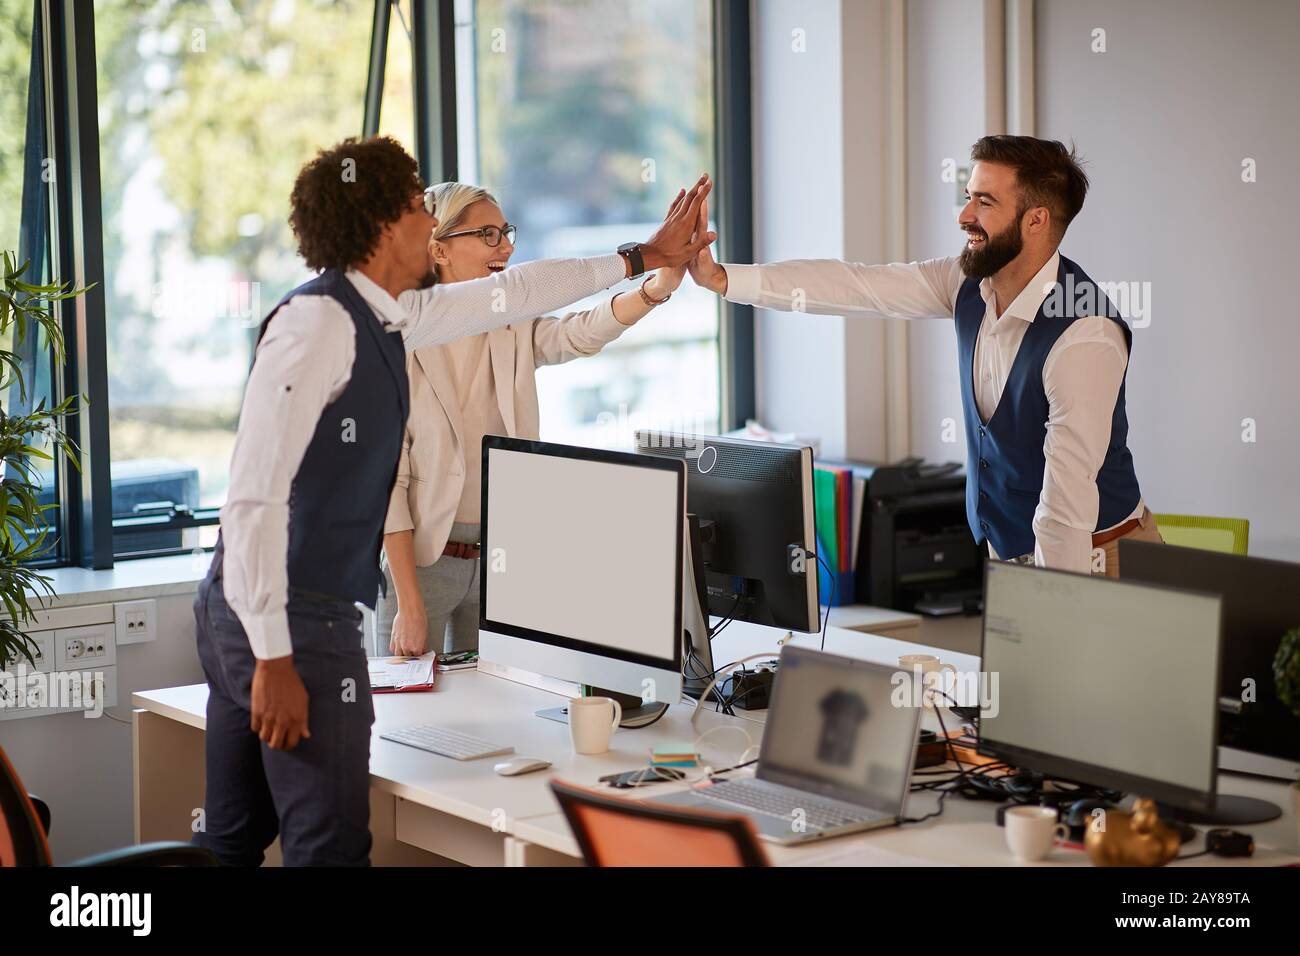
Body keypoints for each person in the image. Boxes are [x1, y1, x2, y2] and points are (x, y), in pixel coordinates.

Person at [192, 135, 715, 866]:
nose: (426, 219)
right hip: (282, 612)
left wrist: (642, 257)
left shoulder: (397, 317)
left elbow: (527, 292)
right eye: (414, 206)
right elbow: (252, 499)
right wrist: (274, 656)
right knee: (329, 844)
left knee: (235, 835)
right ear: (383, 226)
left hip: (272, 608)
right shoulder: (317, 325)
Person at [688, 135, 1161, 578]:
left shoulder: (1083, 335)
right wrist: (723, 278)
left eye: (985, 202)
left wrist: (1045, 606)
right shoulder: (967, 283)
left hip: (1100, 560)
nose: (964, 215)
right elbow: (859, 286)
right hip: (1017, 555)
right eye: (969, 196)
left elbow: (1066, 510)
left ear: (1036, 220)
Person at [377, 181, 695, 657]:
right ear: (438, 248)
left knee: (495, 716)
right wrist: (408, 603)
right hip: (420, 566)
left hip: (500, 559)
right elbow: (389, 483)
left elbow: (578, 334)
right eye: (487, 234)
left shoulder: (510, 321)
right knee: (410, 719)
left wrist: (655, 289)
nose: (505, 245)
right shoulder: (402, 334)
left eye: (506, 231)